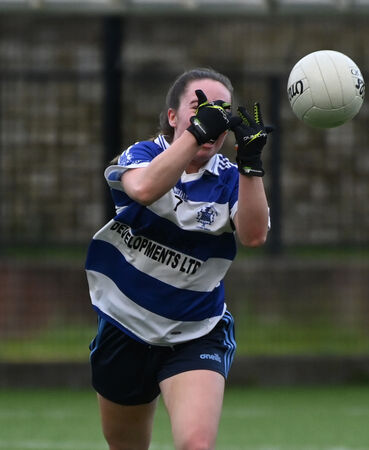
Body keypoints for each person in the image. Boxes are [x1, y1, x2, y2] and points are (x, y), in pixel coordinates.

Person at [85, 67, 272, 449]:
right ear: (173, 117)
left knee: (195, 444)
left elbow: (255, 234)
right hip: (124, 326)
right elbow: (145, 188)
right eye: (199, 107)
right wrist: (195, 135)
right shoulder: (144, 155)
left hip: (195, 332)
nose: (211, 117)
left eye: (220, 110)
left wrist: (251, 165)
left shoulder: (231, 177)